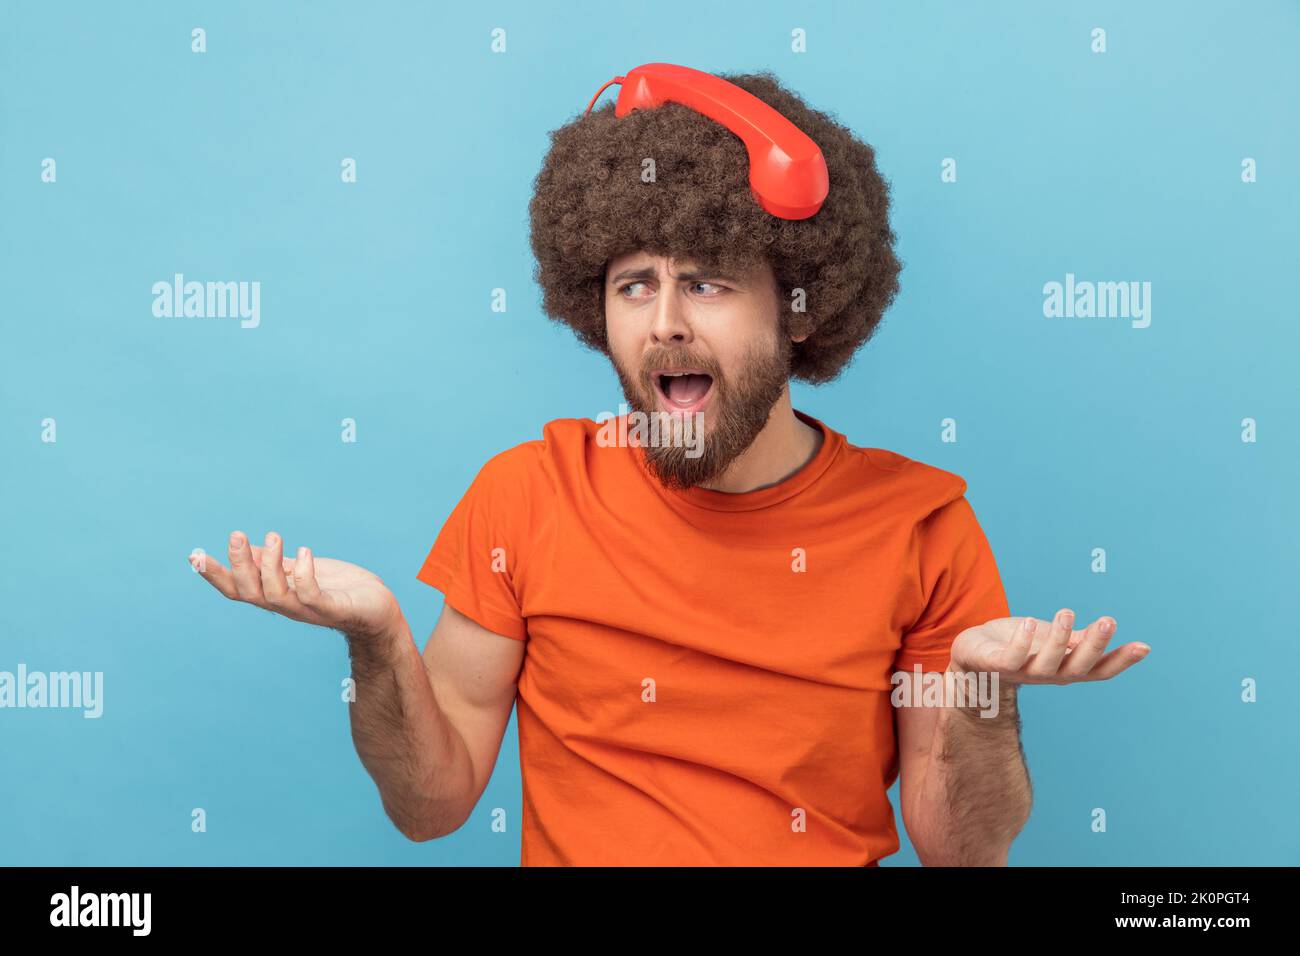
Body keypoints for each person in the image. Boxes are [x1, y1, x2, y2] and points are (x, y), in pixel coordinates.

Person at [188, 68, 1149, 866]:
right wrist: (377, 641)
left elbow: (960, 849)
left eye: (709, 281)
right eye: (634, 285)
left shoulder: (923, 527)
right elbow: (429, 807)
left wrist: (982, 692)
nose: (666, 322)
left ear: (800, 309)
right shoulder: (527, 496)